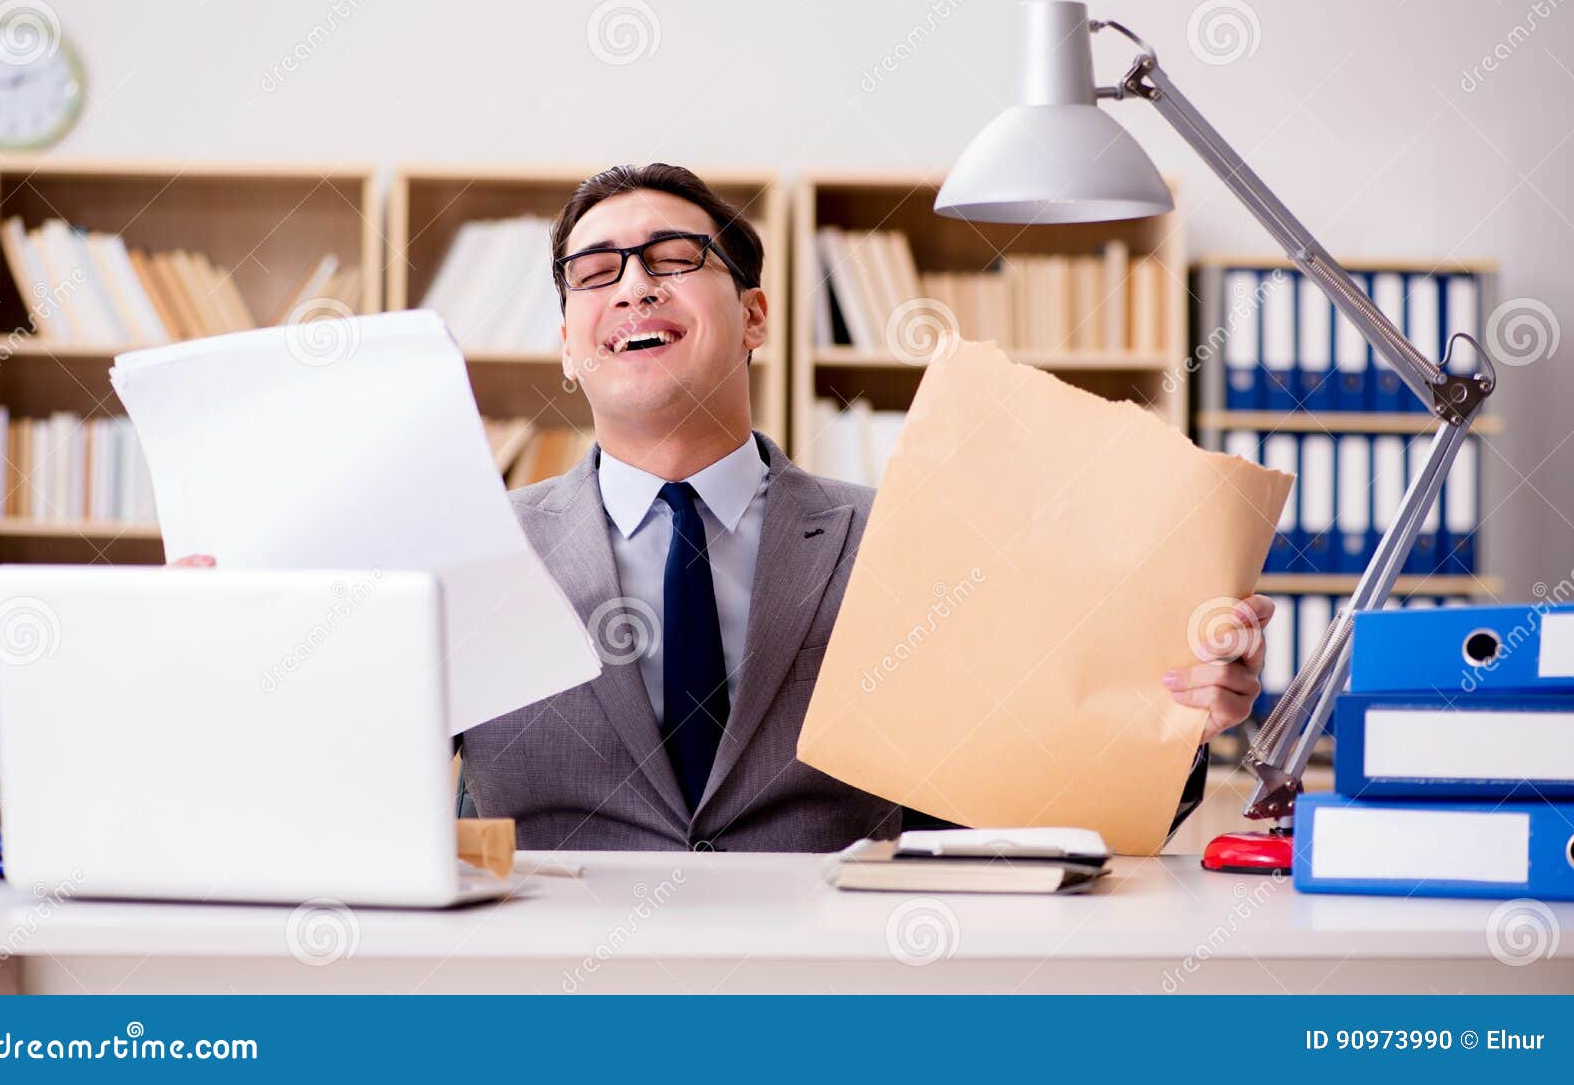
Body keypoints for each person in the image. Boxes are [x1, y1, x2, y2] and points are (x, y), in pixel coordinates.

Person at [173, 163, 1274, 852]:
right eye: (593, 274)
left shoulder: (902, 536)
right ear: (566, 342)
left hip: (830, 1008)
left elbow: (1027, 811)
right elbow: (329, 802)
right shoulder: (465, 547)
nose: (632, 285)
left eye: (670, 258)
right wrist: (246, 655)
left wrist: (1171, 718)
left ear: (751, 315)